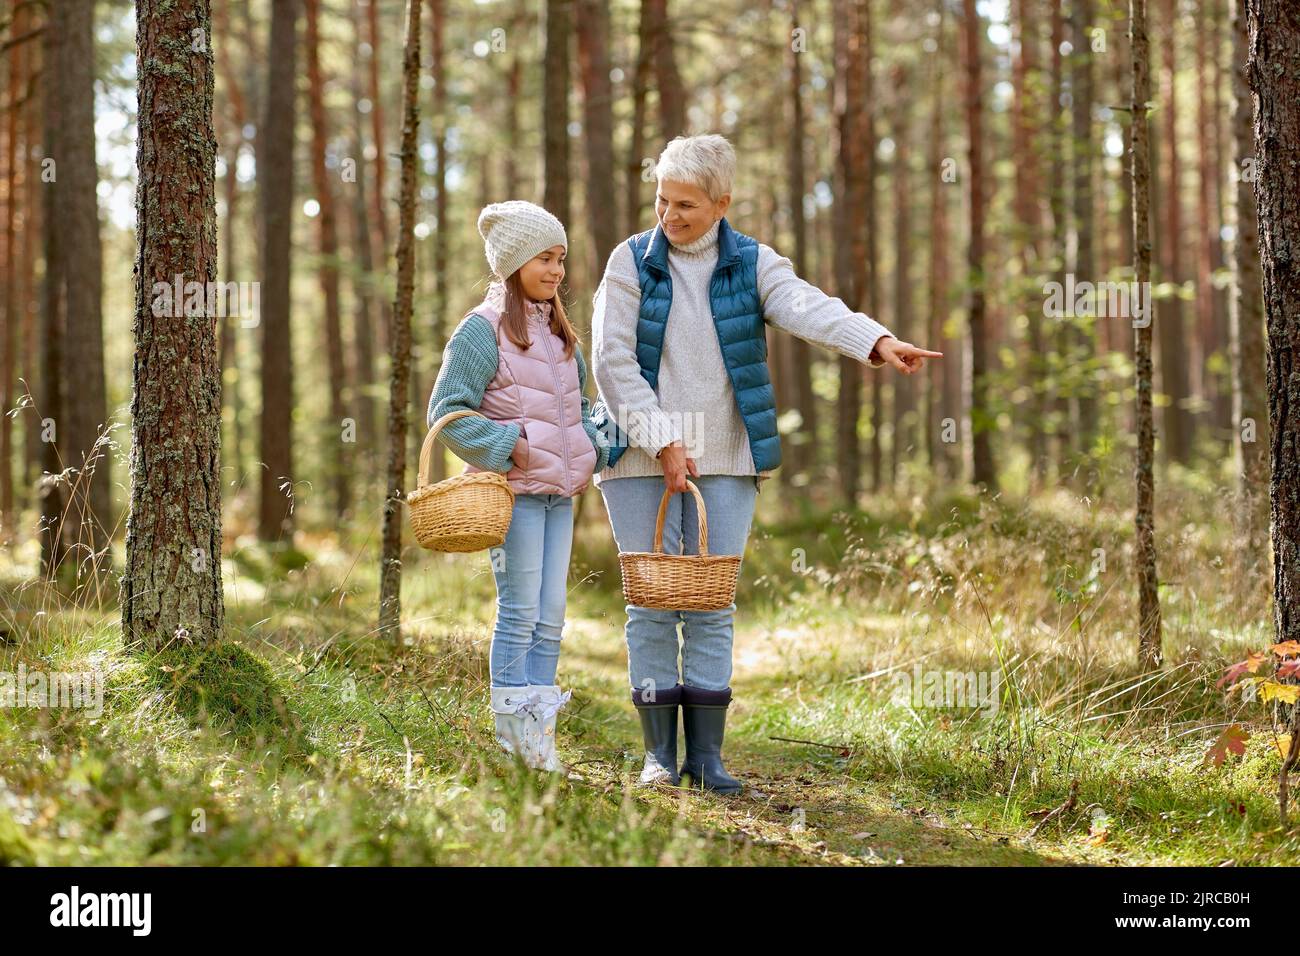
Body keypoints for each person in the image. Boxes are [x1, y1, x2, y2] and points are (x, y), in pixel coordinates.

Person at [590, 134, 941, 793]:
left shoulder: (752, 263)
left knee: (711, 605)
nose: (669, 217)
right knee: (652, 604)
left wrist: (877, 340)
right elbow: (610, 363)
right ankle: (659, 756)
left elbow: (807, 306)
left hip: (726, 456)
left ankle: (707, 758)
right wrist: (663, 439)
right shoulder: (630, 262)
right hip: (639, 455)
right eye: (662, 201)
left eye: (687, 205)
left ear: (723, 203)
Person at [427, 200, 609, 772]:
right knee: (520, 610)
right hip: (515, 494)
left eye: (560, 259)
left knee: (552, 613)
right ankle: (512, 742)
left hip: (560, 495)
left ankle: (539, 736)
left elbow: (579, 408)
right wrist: (514, 444)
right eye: (544, 258)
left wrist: (593, 444)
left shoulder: (559, 335)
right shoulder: (480, 332)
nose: (556, 270)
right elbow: (448, 412)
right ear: (513, 262)